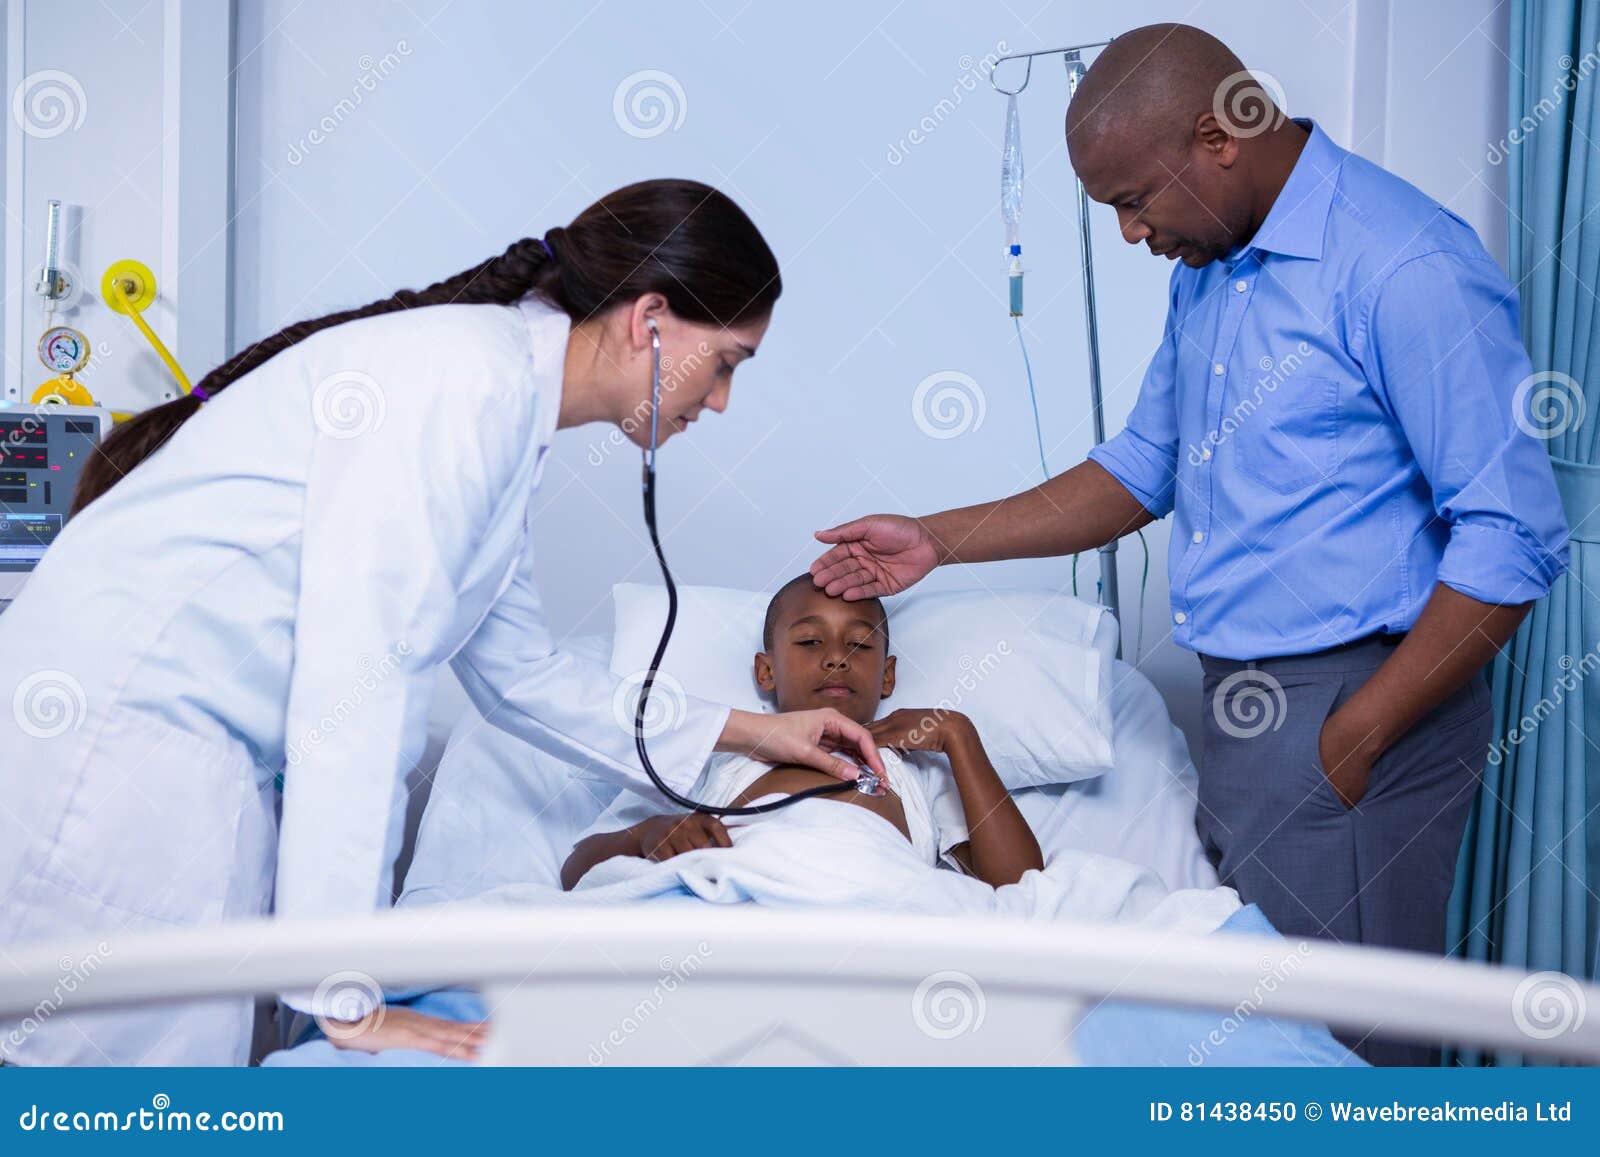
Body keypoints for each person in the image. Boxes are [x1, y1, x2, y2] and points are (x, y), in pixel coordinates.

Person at [810, 25, 1570, 1065]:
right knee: (1257, 1041)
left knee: (1343, 1056)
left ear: (1219, 136)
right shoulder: (1217, 265)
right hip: (1251, 713)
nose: (1130, 234)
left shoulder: (1403, 264)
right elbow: (1139, 467)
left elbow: (1513, 535)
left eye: (1133, 200)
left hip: (1357, 703)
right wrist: (937, 539)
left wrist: (1355, 736)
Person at [0, 179, 885, 1067]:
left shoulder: (498, 411)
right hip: (119, 760)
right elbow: (361, 685)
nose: (723, 400)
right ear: (649, 320)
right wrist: (346, 995)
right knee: (106, 1103)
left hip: (167, 762)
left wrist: (757, 729)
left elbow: (524, 677)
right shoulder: (462, 387)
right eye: (727, 361)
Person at [560, 575, 1044, 890]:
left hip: (875, 910)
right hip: (730, 904)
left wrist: (960, 737)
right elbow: (578, 867)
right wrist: (650, 834)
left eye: (858, 644)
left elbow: (1022, 886)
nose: (836, 657)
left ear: (888, 677)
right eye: (811, 641)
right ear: (765, 673)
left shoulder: (914, 770)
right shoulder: (718, 752)